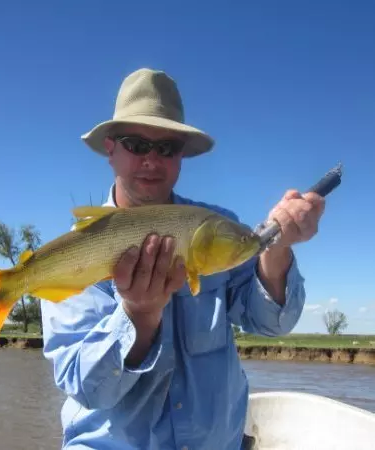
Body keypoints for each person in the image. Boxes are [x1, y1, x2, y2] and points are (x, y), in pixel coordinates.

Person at [41, 68, 325, 450]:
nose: (152, 160)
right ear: (111, 148)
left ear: (181, 156)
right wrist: (138, 317)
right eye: (136, 144)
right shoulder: (72, 254)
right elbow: (86, 389)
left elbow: (272, 323)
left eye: (168, 147)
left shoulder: (217, 227)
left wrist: (277, 248)